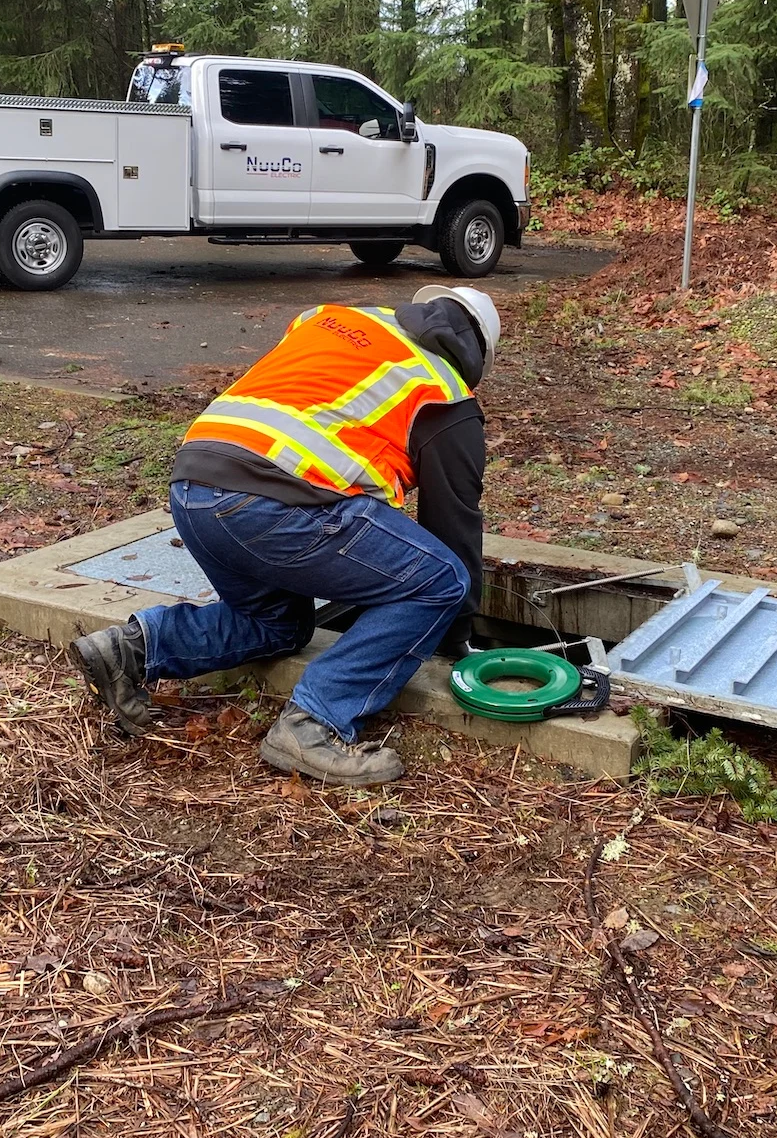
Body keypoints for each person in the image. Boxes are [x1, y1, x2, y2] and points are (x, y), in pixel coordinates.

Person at [68, 284, 498, 785]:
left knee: (277, 624)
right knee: (442, 579)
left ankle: (133, 649)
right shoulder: (444, 391)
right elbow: (453, 525)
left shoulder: (334, 320)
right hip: (272, 503)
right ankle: (314, 723)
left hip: (194, 486)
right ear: (476, 359)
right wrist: (455, 633)